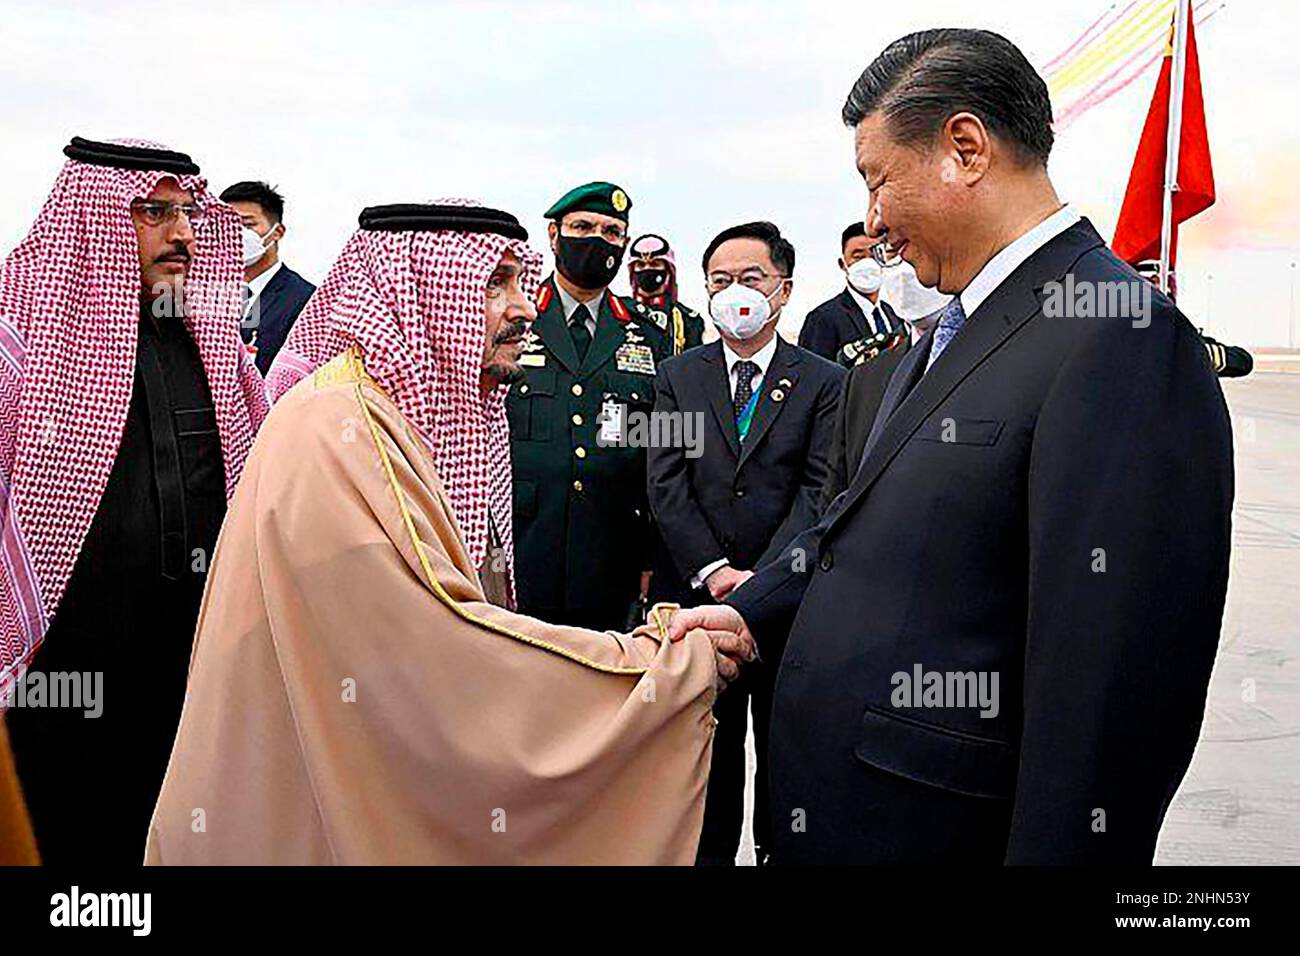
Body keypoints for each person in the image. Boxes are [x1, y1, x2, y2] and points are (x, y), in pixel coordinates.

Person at [668, 28, 1234, 865]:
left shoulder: (1119, 335)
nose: (874, 221)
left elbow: (1109, 700)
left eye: (878, 179)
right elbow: (850, 530)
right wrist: (745, 616)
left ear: (964, 149)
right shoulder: (951, 334)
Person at [151, 202, 728, 865]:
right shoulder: (332, 432)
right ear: (419, 294)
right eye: (495, 284)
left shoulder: (411, 417)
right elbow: (438, 653)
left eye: (518, 282)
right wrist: (662, 667)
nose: (521, 309)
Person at [0, 137, 267, 865]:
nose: (182, 233)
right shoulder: (21, 342)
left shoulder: (211, 347)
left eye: (186, 213)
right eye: (155, 213)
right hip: (59, 670)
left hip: (186, 659)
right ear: (99, 222)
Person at [647, 221, 843, 865]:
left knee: (790, 753)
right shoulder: (678, 377)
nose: (737, 293)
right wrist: (713, 570)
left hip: (787, 606)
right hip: (699, 601)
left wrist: (760, 586)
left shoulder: (822, 381)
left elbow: (819, 491)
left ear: (783, 290)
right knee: (709, 752)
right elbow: (666, 480)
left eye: (751, 279)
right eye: (721, 281)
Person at [507, 182, 670, 630]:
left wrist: (653, 555)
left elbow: (662, 450)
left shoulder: (649, 335)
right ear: (554, 236)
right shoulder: (513, 320)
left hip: (611, 550)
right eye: (582, 227)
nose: (598, 240)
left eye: (612, 232)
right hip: (522, 546)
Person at [821, 258, 950, 509]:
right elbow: (837, 491)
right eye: (891, 253)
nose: (904, 270)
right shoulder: (863, 378)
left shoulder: (1009, 356)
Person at [220, 180, 316, 374]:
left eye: (247, 225)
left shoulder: (305, 300)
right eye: (227, 225)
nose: (236, 234)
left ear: (277, 233)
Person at [798, 221, 899, 361]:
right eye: (858, 257)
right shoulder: (823, 318)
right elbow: (813, 375)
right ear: (843, 264)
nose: (868, 263)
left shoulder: (894, 315)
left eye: (875, 254)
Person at [627, 233, 705, 355]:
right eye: (640, 265)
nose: (647, 269)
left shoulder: (688, 321)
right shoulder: (617, 313)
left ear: (668, 270)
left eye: (655, 264)